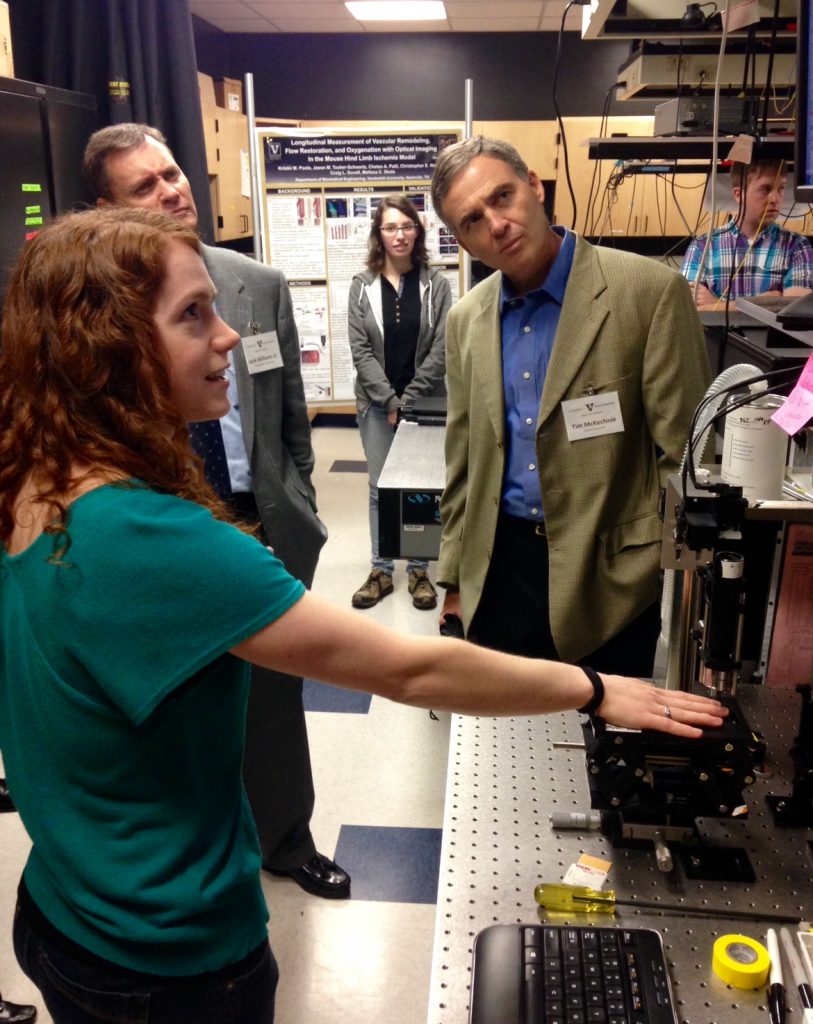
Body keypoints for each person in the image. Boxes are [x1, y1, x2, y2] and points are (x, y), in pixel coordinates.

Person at [0, 207, 727, 1024]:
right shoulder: (153, 540)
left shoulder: (31, 473)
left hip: (62, 911)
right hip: (165, 954)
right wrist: (595, 689)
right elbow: (409, 668)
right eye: (192, 315)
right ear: (106, 350)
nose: (230, 338)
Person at [81, 123, 350, 900]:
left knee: (274, 692)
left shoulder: (253, 283)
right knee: (173, 701)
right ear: (106, 207)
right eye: (145, 185)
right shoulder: (99, 310)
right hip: (156, 526)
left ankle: (284, 839)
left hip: (253, 512)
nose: (172, 191)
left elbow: (289, 410)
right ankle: (192, 849)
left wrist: (295, 496)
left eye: (173, 173)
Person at [430, 136, 711, 676]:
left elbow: (686, 459)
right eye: (471, 221)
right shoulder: (466, 319)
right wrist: (454, 582)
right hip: (498, 568)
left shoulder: (648, 293)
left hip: (608, 575)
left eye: (503, 196)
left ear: (535, 187)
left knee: (608, 744)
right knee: (507, 744)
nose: (497, 223)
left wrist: (660, 574)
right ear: (464, 243)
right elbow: (462, 463)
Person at [348, 196, 451, 610]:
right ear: (379, 234)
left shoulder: (436, 284)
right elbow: (360, 351)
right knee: (380, 489)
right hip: (376, 405)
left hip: (425, 403)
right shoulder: (362, 286)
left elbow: (442, 347)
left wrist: (407, 400)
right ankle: (381, 570)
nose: (399, 235)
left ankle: (420, 571)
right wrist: (388, 400)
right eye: (390, 227)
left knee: (422, 489)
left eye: (406, 226)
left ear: (418, 231)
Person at [681, 158, 813, 310]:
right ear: (738, 194)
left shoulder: (796, 246)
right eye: (765, 189)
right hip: (717, 335)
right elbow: (686, 309)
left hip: (769, 335)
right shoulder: (704, 246)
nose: (775, 199)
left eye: (781, 189)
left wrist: (715, 305)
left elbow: (794, 311)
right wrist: (765, 301)